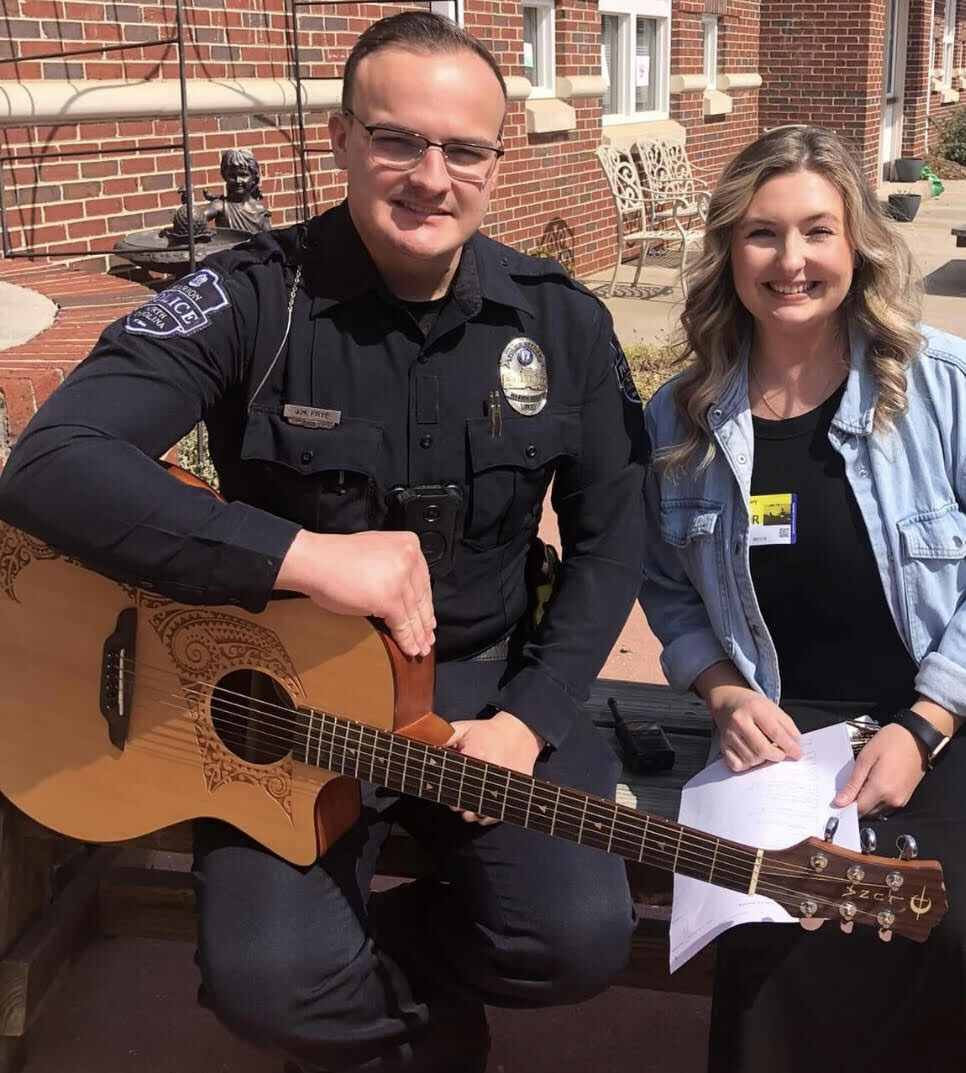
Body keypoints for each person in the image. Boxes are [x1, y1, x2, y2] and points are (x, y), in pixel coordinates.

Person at [0, 11, 647, 1073]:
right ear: (343, 139)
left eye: (463, 149)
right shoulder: (251, 297)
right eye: (397, 140)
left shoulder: (561, 322)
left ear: (497, 159)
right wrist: (299, 557)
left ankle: (379, 971)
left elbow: (615, 540)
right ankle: (420, 1033)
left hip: (482, 685)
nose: (430, 176)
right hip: (271, 697)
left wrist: (531, 719)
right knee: (267, 983)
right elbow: (53, 463)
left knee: (577, 938)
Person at [638, 123, 966, 1073]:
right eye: (762, 234)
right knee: (770, 934)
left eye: (817, 231)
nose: (792, 261)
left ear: (856, 242)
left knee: (944, 928)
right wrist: (719, 691)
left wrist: (924, 722)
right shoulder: (682, 414)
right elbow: (668, 589)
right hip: (783, 735)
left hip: (939, 713)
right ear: (729, 249)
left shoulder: (939, 389)